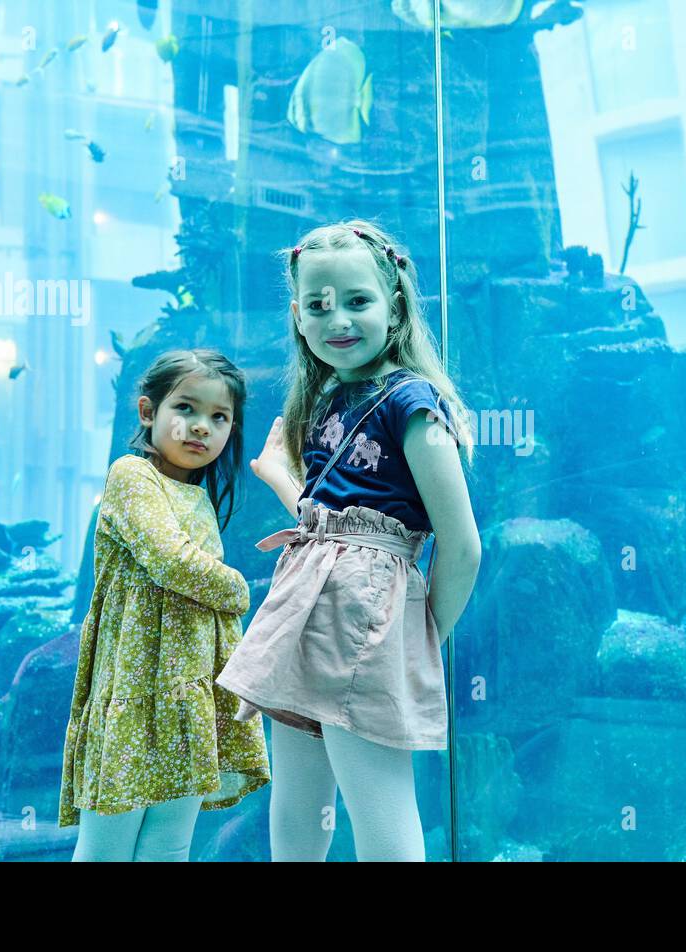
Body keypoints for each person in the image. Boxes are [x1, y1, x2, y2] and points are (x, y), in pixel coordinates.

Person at [215, 219, 482, 862]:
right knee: (299, 806)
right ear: (298, 317)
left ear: (395, 305)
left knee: (378, 808)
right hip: (307, 605)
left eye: (357, 300)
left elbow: (463, 545)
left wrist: (419, 636)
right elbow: (337, 522)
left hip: (366, 618)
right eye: (318, 304)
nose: (338, 318)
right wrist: (283, 477)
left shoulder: (411, 402)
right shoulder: (330, 396)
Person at [60, 348, 271, 861]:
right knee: (106, 847)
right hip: (133, 695)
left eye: (219, 417)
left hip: (186, 699)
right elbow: (172, 562)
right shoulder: (132, 476)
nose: (201, 427)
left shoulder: (197, 498)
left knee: (170, 846)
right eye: (186, 409)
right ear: (148, 412)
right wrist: (239, 589)